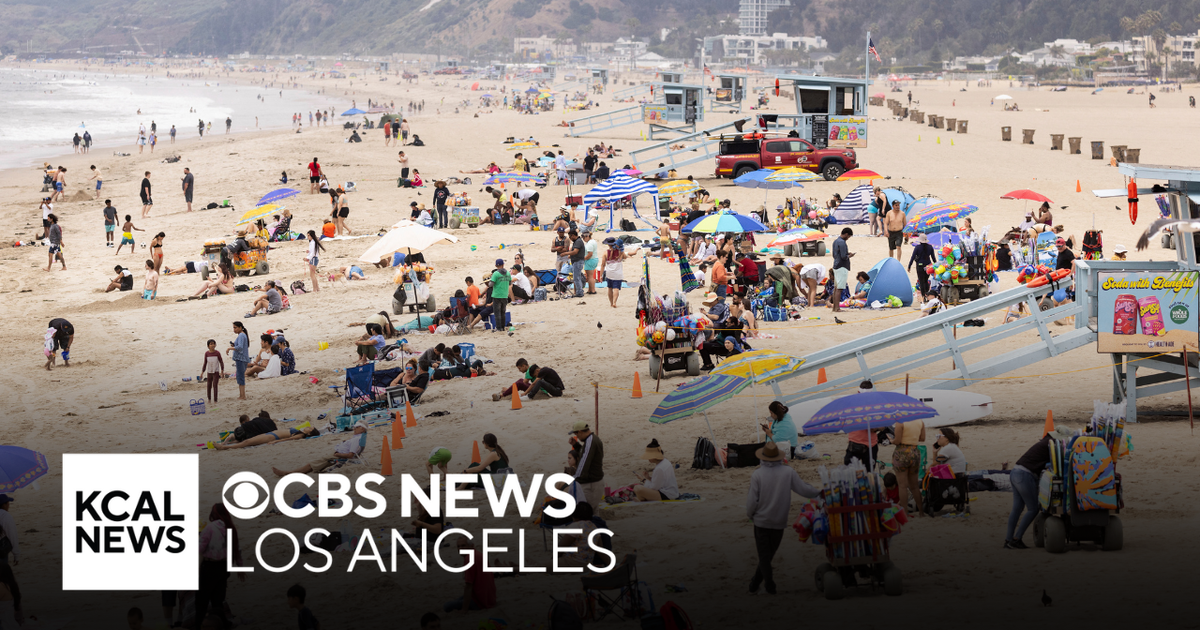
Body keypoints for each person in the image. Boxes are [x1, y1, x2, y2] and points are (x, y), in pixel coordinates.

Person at [746, 441, 820, 594]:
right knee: (768, 556)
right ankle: (755, 584)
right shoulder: (788, 472)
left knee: (764, 556)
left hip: (761, 521)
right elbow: (803, 489)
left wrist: (750, 514)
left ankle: (769, 585)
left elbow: (752, 500)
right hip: (779, 521)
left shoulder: (757, 474)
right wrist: (818, 492)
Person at [1005, 428, 1072, 549]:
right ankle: (1016, 539)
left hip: (1015, 471)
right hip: (1025, 475)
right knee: (1033, 509)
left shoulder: (1044, 442)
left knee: (1017, 509)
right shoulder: (1052, 445)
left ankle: (1008, 540)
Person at [195, 504, 241, 630]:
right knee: (218, 601)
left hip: (209, 567)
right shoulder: (231, 528)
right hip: (224, 567)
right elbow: (237, 549)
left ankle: (198, 625)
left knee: (201, 600)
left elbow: (200, 548)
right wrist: (240, 567)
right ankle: (221, 625)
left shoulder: (209, 528)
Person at [272, 420, 369, 476]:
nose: (354, 428)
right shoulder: (360, 437)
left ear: (362, 429)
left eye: (356, 427)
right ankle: (291, 472)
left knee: (312, 464)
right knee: (314, 462)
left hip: (337, 456)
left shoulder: (357, 439)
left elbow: (350, 455)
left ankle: (289, 473)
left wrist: (337, 454)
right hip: (337, 454)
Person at [442, 536, 496, 613]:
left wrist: (464, 609)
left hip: (480, 601)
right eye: (458, 546)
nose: (460, 548)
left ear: (471, 546)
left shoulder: (469, 559)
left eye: (463, 545)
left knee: (446, 606)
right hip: (489, 598)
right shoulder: (478, 554)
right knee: (458, 599)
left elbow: (468, 586)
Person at [892, 415, 926, 515]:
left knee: (902, 486)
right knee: (914, 485)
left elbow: (897, 441)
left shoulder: (900, 421)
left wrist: (891, 440)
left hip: (902, 452)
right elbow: (922, 438)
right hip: (915, 452)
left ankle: (905, 512)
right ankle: (921, 511)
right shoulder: (920, 421)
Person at [570, 421, 605, 509]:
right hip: (593, 482)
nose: (577, 437)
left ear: (580, 432)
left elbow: (584, 461)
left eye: (576, 434)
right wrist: (576, 445)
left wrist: (575, 478)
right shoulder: (590, 440)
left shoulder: (591, 441)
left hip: (591, 483)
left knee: (587, 512)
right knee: (592, 512)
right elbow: (584, 453)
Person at [845, 381, 880, 466]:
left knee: (852, 472)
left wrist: (876, 428)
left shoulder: (851, 404)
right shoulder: (876, 405)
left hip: (860, 442)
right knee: (867, 473)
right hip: (865, 443)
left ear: (858, 392)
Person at [215, 424, 317, 449]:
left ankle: (224, 447)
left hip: (272, 437)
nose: (308, 427)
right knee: (248, 440)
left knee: (247, 442)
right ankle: (226, 444)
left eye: (310, 428)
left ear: (309, 433)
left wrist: (275, 442)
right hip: (271, 434)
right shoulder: (300, 431)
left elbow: (290, 439)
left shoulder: (301, 435)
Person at [831, 228, 854, 312]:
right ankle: (837, 308)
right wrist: (849, 256)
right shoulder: (842, 242)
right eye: (848, 236)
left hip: (836, 265)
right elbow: (844, 256)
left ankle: (835, 307)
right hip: (842, 266)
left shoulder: (836, 241)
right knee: (839, 288)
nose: (848, 238)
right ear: (846, 234)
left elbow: (835, 254)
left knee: (836, 288)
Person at [601, 237, 628, 308]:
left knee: (610, 288)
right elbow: (625, 257)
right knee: (616, 288)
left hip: (609, 272)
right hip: (618, 273)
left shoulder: (605, 253)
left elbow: (603, 265)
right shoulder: (620, 251)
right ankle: (614, 302)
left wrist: (600, 275)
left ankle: (611, 303)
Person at [908, 232, 935, 302]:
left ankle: (923, 296)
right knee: (926, 281)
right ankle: (927, 295)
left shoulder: (917, 248)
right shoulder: (930, 247)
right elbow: (933, 258)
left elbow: (913, 257)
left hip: (920, 266)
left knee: (921, 281)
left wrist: (909, 266)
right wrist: (936, 266)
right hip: (928, 266)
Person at [226, 321, 250, 400]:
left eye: (235, 327)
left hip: (241, 359)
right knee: (240, 376)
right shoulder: (243, 335)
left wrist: (230, 348)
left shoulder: (241, 335)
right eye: (233, 327)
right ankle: (242, 395)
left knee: (240, 377)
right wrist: (234, 345)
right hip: (243, 358)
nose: (234, 329)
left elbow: (240, 347)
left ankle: (242, 396)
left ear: (240, 327)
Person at [489, 259, 511, 333]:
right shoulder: (508, 273)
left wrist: (491, 278)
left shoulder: (495, 273)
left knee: (497, 313)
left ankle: (498, 328)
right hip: (505, 295)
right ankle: (503, 327)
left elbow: (490, 284)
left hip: (497, 295)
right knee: (503, 312)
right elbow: (510, 282)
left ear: (496, 266)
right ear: (503, 265)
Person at [0, 494, 18, 566]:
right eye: (8, 503)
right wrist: (16, 554)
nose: (8, 505)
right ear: (4, 505)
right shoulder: (6, 516)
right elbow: (12, 535)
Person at [581, 230, 599, 294]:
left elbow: (590, 254)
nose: (583, 239)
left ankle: (593, 290)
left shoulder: (590, 244)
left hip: (590, 260)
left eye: (584, 238)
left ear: (587, 236)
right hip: (594, 259)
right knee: (590, 276)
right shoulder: (593, 241)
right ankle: (590, 289)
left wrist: (583, 259)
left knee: (590, 276)